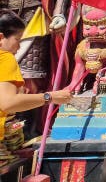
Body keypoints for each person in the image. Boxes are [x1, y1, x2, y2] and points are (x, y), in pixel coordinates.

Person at [0, 10, 72, 141]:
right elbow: (8, 103)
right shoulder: (5, 58)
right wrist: (51, 97)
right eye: (17, 40)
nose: (19, 46)